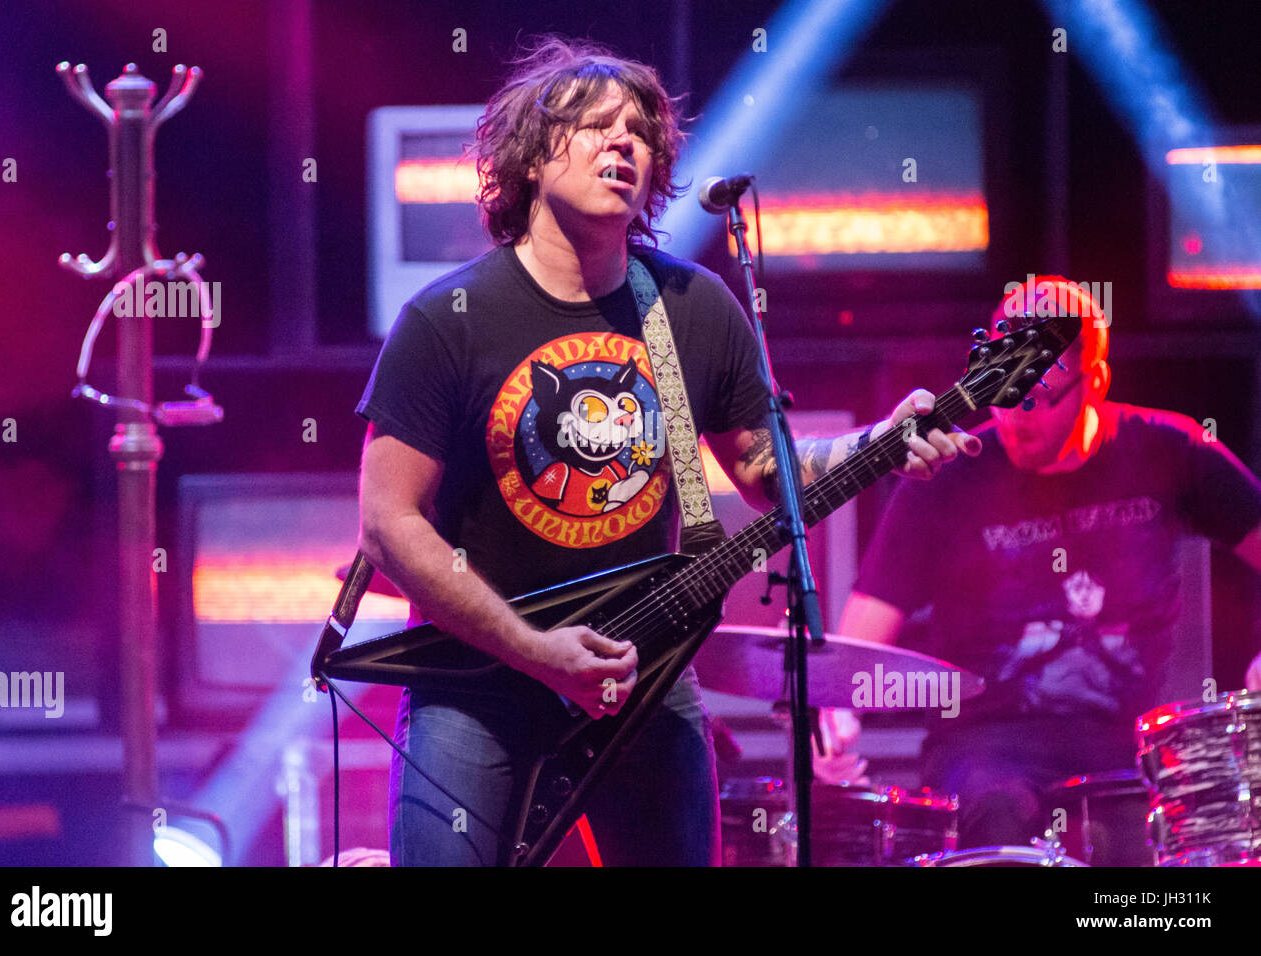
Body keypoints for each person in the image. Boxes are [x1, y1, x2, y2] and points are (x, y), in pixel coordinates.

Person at [354, 37, 978, 866]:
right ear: (535, 158)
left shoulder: (691, 307)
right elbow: (388, 523)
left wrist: (884, 442)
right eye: (597, 126)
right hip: (476, 683)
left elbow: (770, 477)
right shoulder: (448, 320)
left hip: (638, 672)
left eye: (640, 134)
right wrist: (537, 651)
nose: (625, 143)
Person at [837, 276, 1261, 849]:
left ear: (1097, 381)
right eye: (1003, 393)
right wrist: (836, 717)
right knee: (997, 814)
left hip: (1125, 743)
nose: (1014, 417)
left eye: (1036, 398)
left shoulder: (1170, 448)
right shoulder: (947, 480)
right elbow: (857, 647)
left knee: (1155, 838)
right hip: (984, 742)